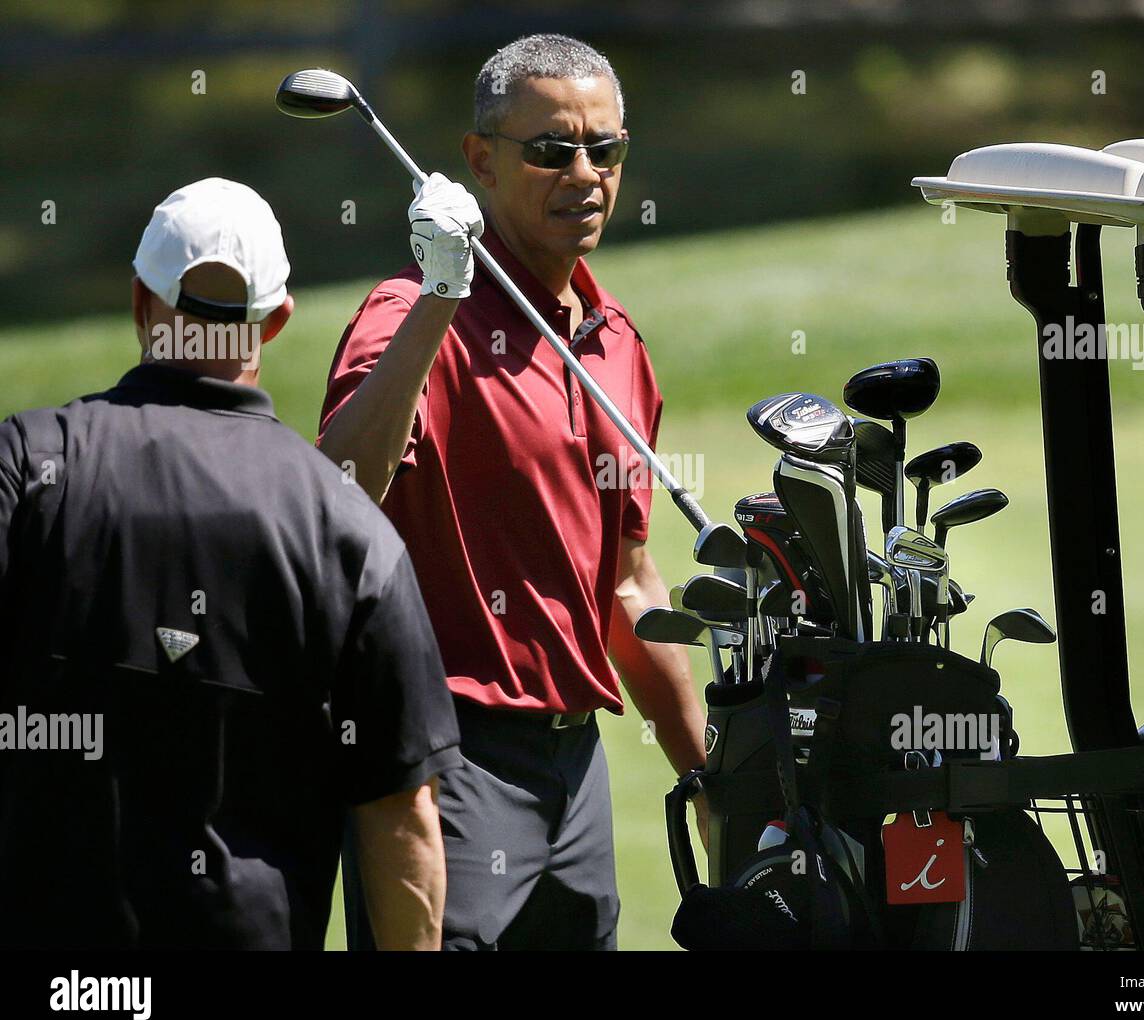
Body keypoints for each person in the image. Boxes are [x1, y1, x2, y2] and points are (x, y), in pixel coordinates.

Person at [0, 178, 459, 951]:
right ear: (277, 322)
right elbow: (401, 814)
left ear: (142, 303)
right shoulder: (345, 521)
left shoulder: (31, 463)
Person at [319, 34, 704, 951]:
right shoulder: (409, 313)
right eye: (551, 151)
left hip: (576, 769)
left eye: (604, 150)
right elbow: (335, 494)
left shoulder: (616, 343)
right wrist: (440, 298)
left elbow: (625, 582)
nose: (584, 173)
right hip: (447, 758)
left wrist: (704, 772)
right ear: (480, 160)